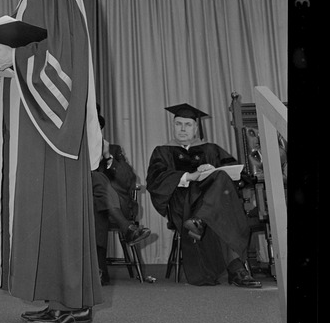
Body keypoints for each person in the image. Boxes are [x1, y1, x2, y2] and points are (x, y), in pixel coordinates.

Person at [0, 0, 104, 323]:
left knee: (57, 207)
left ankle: (72, 302)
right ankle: (60, 298)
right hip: (36, 118)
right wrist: (4, 63)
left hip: (51, 124)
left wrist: (10, 58)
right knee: (47, 207)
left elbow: (61, 58)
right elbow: (37, 54)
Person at [146, 102, 261, 288]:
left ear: (196, 128)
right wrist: (187, 176)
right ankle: (237, 269)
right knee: (221, 208)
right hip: (182, 203)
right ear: (173, 125)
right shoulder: (162, 151)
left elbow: (241, 175)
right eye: (178, 124)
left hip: (209, 202)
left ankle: (200, 220)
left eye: (188, 125)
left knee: (221, 178)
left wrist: (214, 171)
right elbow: (155, 179)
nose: (182, 129)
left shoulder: (211, 149)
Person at [91, 109, 150, 285]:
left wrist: (108, 157)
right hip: (86, 208)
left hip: (118, 205)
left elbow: (129, 181)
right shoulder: (74, 153)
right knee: (95, 202)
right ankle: (128, 229)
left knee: (96, 201)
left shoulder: (113, 150)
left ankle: (98, 271)